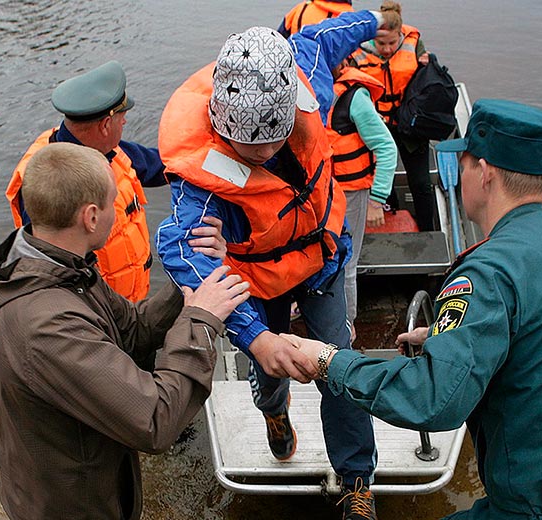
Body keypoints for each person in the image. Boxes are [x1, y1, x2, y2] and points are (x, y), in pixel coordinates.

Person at [285, 99, 542, 519]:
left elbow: (434, 400)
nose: (458, 172)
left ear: (485, 173)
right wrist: (447, 336)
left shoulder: (490, 271)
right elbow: (537, 338)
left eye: (464, 161)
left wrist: (330, 361)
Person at [156, 14, 383, 519]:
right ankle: (273, 411)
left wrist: (375, 19)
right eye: (248, 147)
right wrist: (255, 336)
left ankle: (355, 480)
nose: (261, 154)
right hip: (259, 279)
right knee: (270, 363)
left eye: (272, 143)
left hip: (320, 262)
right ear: (220, 121)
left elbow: (327, 34)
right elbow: (179, 248)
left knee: (338, 362)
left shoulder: (306, 72)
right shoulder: (200, 179)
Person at [0, 143, 250, 520]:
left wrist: (193, 281)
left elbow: (131, 331)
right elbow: (155, 420)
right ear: (91, 217)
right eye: (115, 204)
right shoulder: (47, 329)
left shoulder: (61, 267)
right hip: (68, 509)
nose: (121, 215)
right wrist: (200, 321)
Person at [5, 60, 224, 302]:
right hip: (96, 315)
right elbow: (48, 266)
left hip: (131, 308)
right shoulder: (46, 180)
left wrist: (221, 154)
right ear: (106, 124)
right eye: (122, 117)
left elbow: (166, 163)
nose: (125, 122)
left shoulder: (109, 149)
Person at [349, 1, 435, 231]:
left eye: (392, 42)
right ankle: (391, 221)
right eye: (381, 43)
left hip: (409, 123)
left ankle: (429, 231)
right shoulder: (356, 51)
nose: (387, 49)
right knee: (381, 178)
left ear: (400, 35)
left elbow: (428, 82)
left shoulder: (414, 43)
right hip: (374, 124)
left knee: (421, 183)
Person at [327, 62, 397, 343]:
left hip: (353, 193)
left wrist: (377, 199)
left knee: (346, 262)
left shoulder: (354, 98)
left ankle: (347, 324)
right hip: (323, 193)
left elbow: (386, 147)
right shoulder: (313, 91)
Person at [277, 0, 354, 38]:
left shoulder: (300, 9)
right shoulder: (353, 20)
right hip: (329, 67)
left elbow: (277, 41)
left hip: (297, 64)